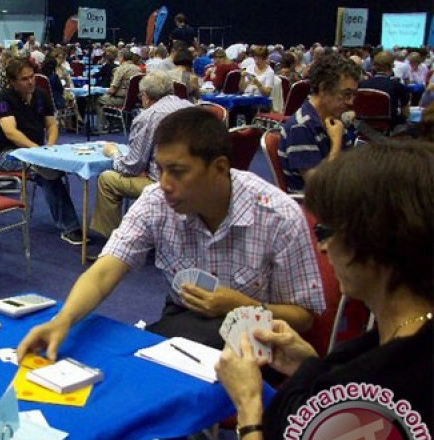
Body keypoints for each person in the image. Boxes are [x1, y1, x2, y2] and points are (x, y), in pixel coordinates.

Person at [82, 140, 433, 440]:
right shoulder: (411, 343)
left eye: (330, 231)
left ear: (374, 248)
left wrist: (249, 406)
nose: (323, 245)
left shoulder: (368, 407)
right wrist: (309, 365)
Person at [17, 107, 324, 359]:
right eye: (160, 169)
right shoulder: (156, 202)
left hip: (255, 331)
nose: (163, 183)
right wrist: (63, 321)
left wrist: (237, 304)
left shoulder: (278, 215)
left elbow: (303, 318)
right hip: (185, 319)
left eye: (177, 172)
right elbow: (104, 271)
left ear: (219, 168)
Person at [90, 71, 193, 241]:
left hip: (164, 184)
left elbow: (131, 167)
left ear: (145, 96)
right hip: (194, 180)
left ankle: (113, 245)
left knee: (107, 179)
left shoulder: (148, 117)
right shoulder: (190, 107)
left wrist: (113, 152)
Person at [0, 58, 85, 245]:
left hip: (39, 151)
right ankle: (71, 227)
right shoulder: (2, 99)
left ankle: (69, 221)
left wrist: (49, 148)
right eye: (24, 79)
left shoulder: (41, 95)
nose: (30, 81)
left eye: (32, 77)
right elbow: (11, 132)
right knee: (46, 171)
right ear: (12, 82)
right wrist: (39, 152)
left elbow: (52, 125)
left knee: (52, 167)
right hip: (9, 154)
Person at [278, 52, 361, 192]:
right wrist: (336, 144)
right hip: (316, 207)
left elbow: (350, 170)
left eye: (354, 95)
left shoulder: (335, 120)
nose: (351, 102)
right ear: (323, 89)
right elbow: (319, 185)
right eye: (346, 94)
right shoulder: (301, 126)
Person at [358, 51, 410, 128]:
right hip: (389, 126)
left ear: (374, 66)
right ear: (392, 66)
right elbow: (405, 113)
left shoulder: (361, 85)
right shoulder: (398, 86)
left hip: (364, 127)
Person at [95, 49, 140, 133]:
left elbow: (113, 89)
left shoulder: (120, 69)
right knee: (106, 99)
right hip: (133, 101)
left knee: (98, 100)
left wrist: (103, 92)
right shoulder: (138, 69)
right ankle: (114, 123)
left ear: (122, 58)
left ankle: (102, 127)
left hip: (120, 100)